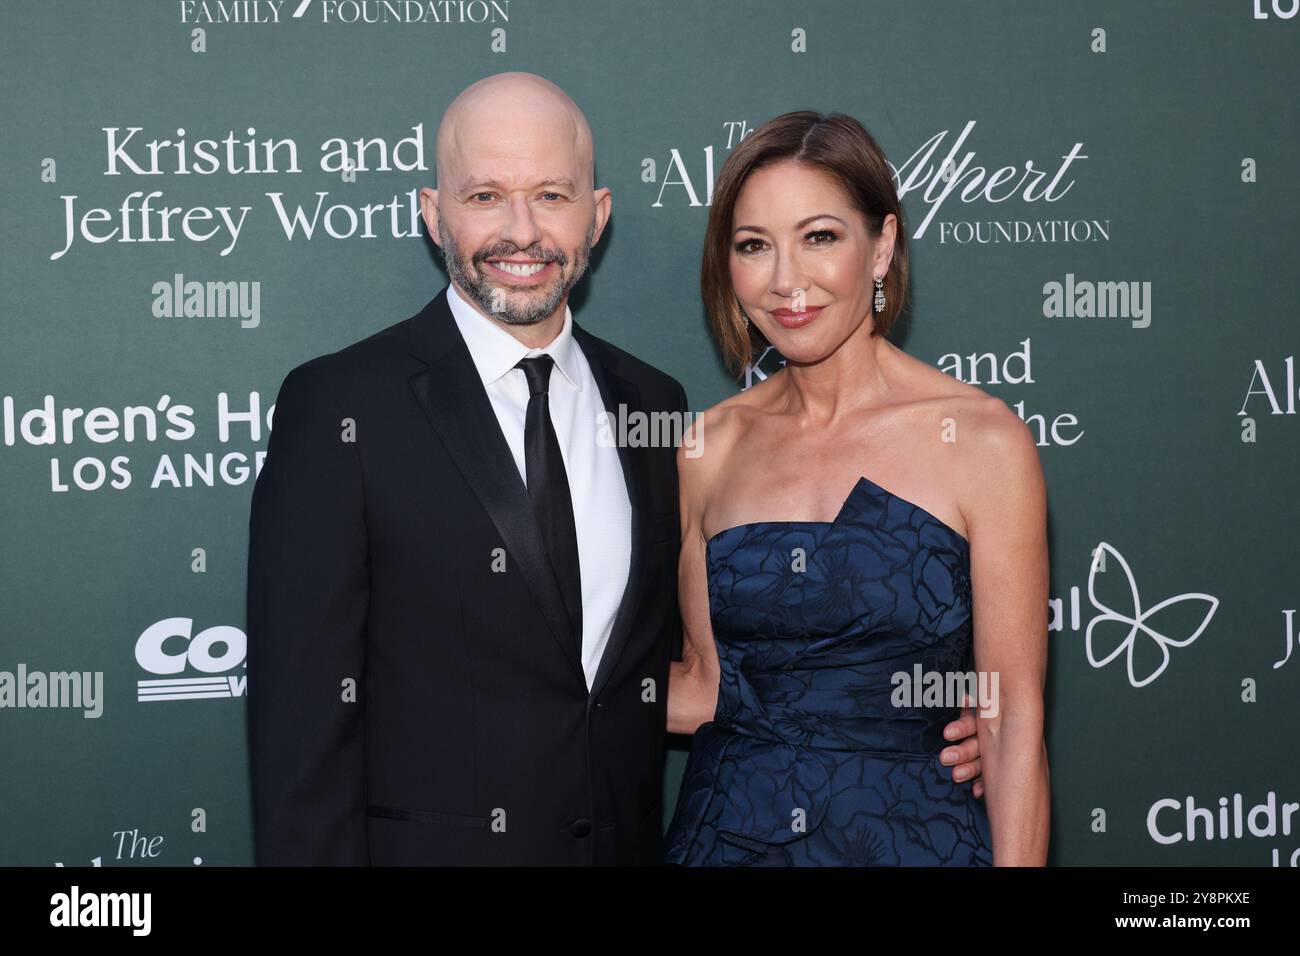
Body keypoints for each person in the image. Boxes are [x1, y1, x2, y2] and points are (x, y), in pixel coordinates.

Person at [246, 73, 986, 866]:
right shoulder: (341, 406)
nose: (521, 231)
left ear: (596, 217)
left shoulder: (654, 408)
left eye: (553, 195)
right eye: (487, 195)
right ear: (433, 214)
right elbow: (301, 728)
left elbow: (704, 668)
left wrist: (907, 711)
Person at [664, 111, 1050, 866]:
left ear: (882, 246)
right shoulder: (706, 447)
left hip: (914, 841)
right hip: (726, 839)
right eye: (753, 246)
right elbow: (706, 685)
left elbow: (1008, 724)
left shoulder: (981, 440)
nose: (786, 282)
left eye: (820, 237)